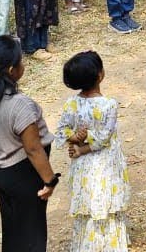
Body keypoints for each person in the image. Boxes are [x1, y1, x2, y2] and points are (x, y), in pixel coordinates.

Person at [0, 35, 58, 252]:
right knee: (32, 233)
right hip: (24, 176)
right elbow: (33, 148)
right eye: (21, 61)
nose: (24, 64)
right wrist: (49, 181)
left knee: (12, 229)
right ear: (11, 70)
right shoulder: (20, 105)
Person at [55, 51, 130, 252]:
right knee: (105, 202)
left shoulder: (71, 103)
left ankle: (86, 245)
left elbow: (61, 132)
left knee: (88, 202)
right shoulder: (109, 105)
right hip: (105, 163)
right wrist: (84, 145)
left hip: (83, 165)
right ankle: (109, 245)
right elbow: (104, 138)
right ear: (100, 75)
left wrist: (75, 138)